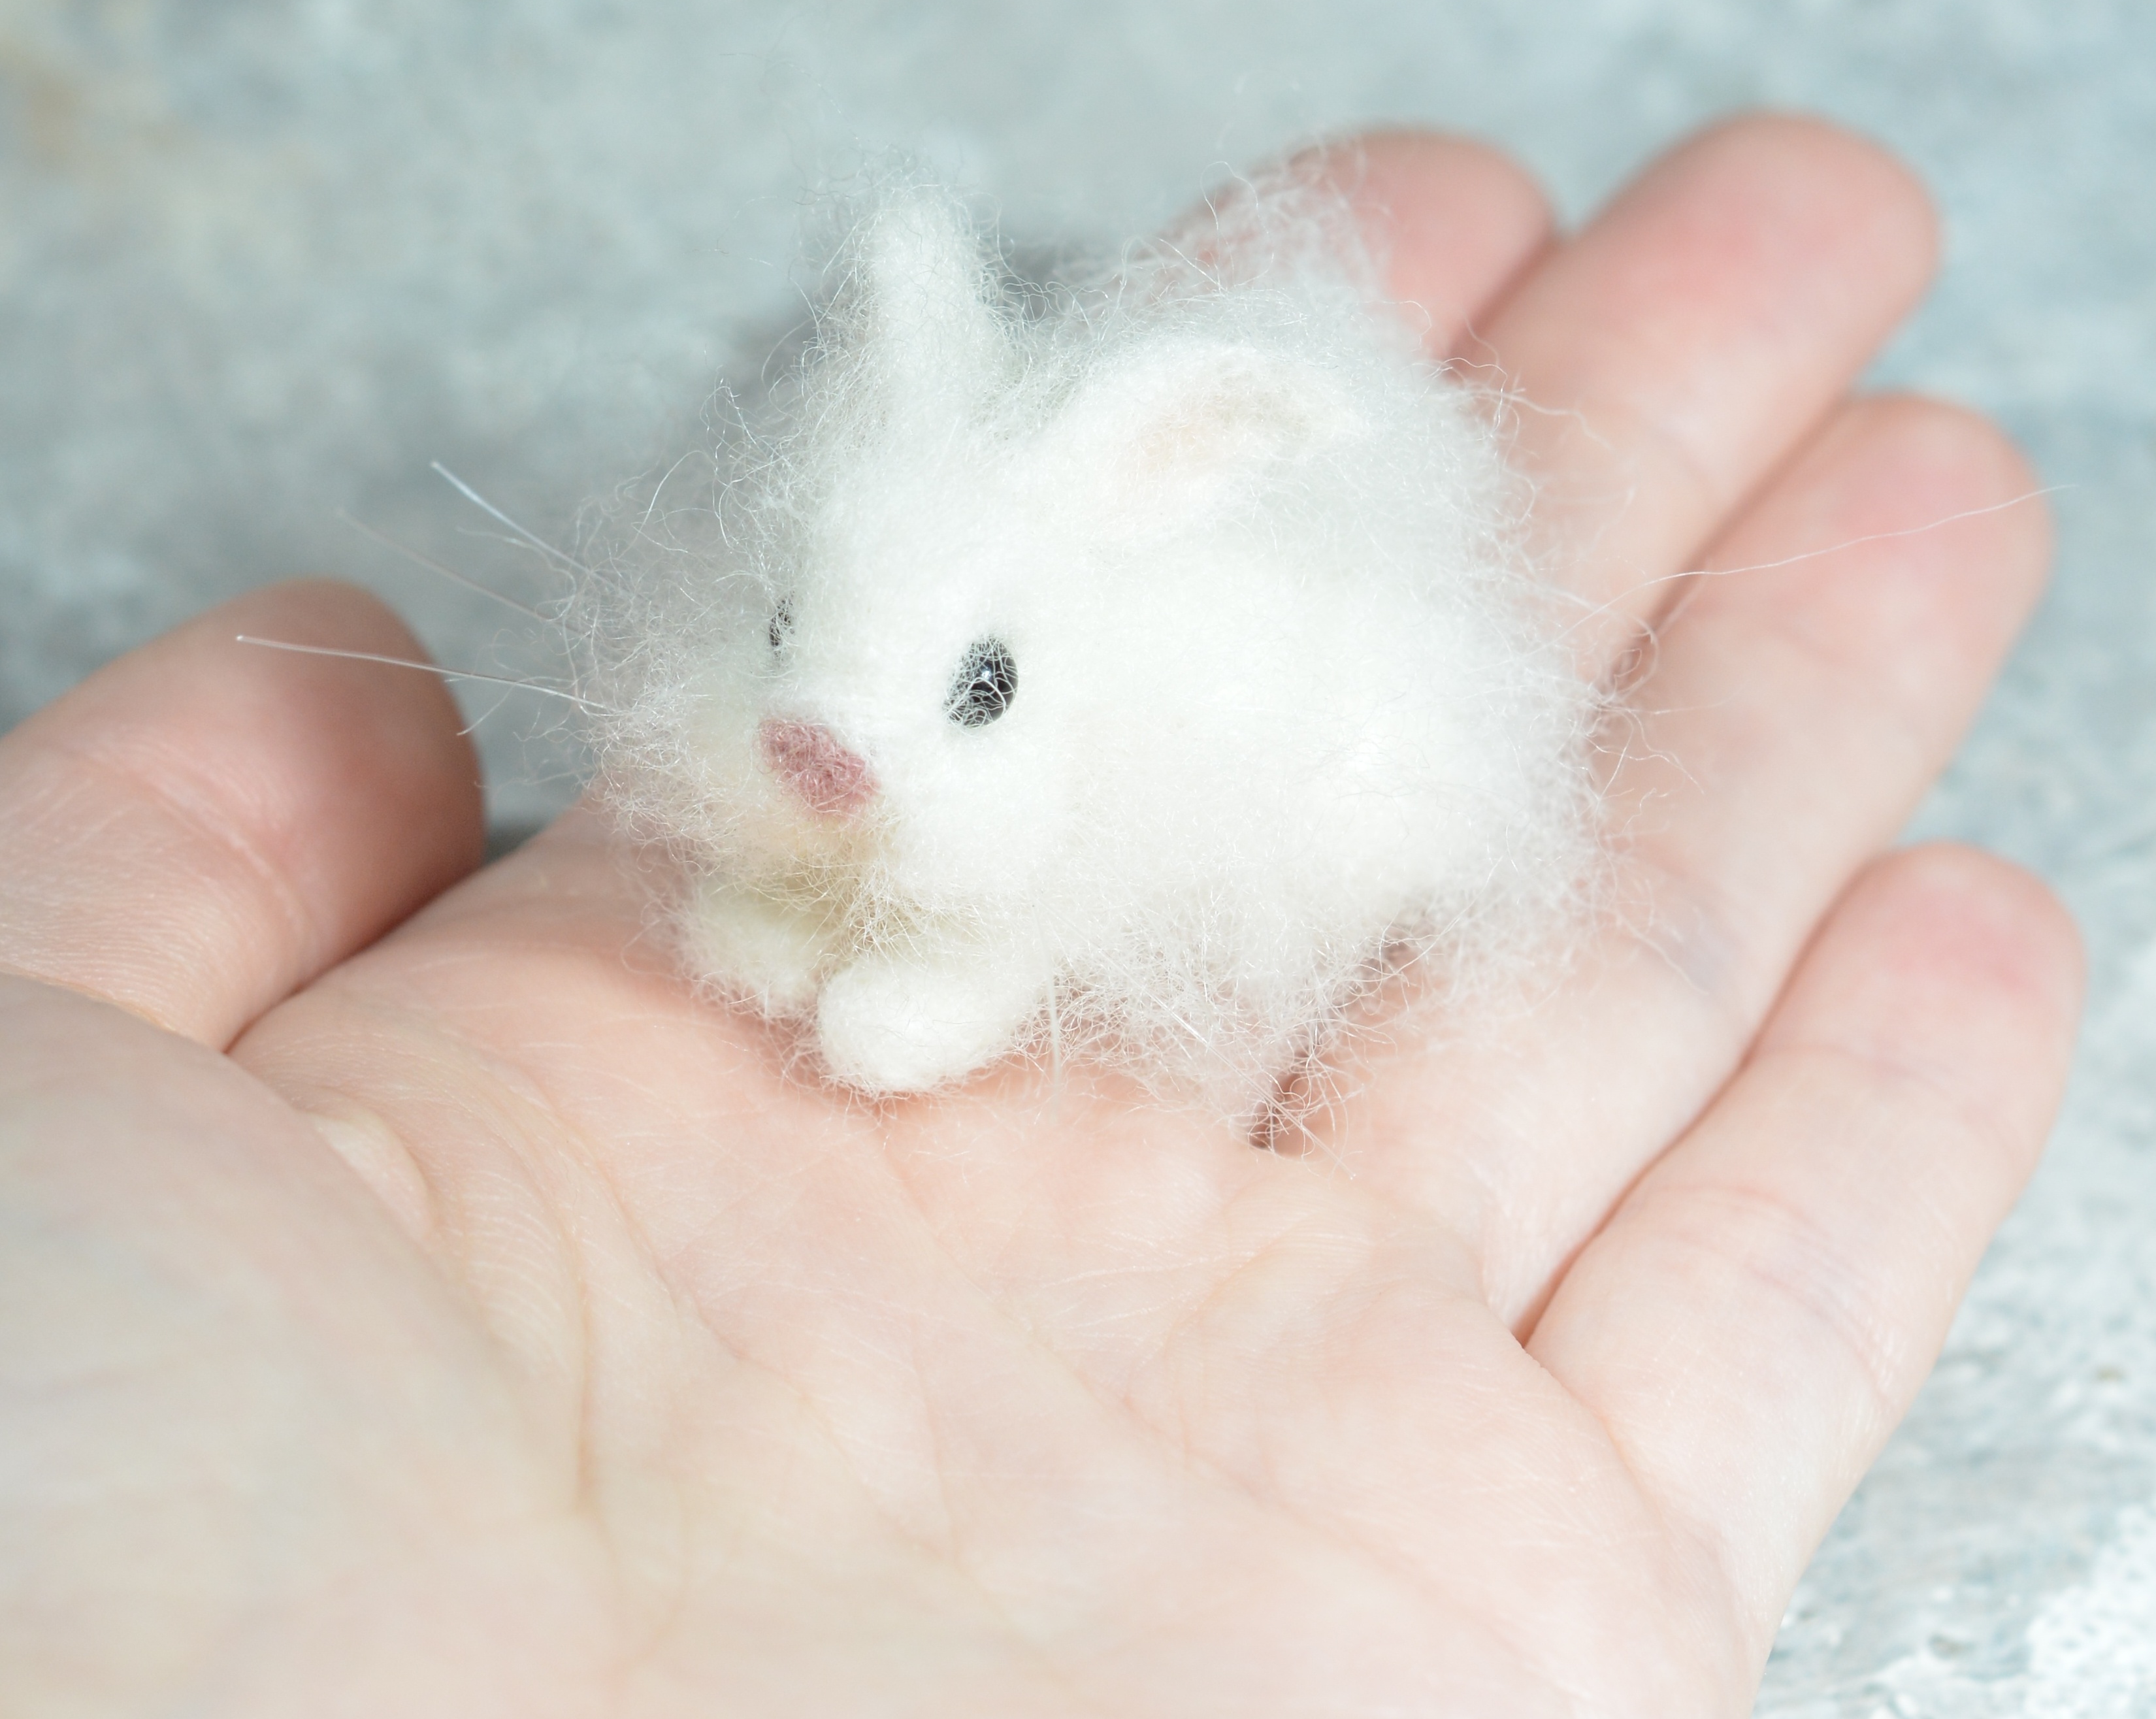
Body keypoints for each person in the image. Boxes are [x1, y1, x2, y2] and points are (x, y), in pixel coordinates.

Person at [0, 116, 2078, 1716]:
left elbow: (1000, 892)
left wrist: (926, 946)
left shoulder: (1210, 722)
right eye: (799, 644)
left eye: (967, 691)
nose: (816, 742)